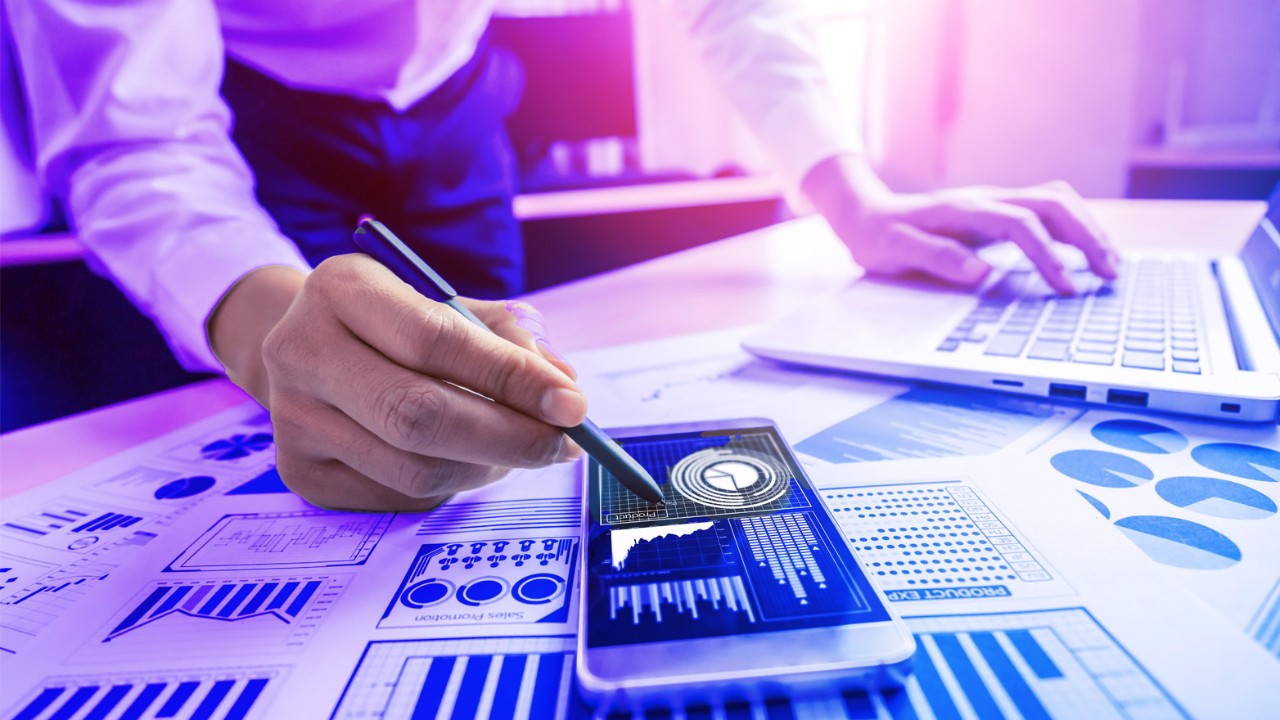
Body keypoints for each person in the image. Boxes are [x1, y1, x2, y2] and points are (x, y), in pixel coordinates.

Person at [6, 0, 1116, 512]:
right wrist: (261, 328)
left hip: (458, 101)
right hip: (251, 111)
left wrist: (852, 192)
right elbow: (136, 133)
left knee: (479, 407)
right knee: (323, 435)